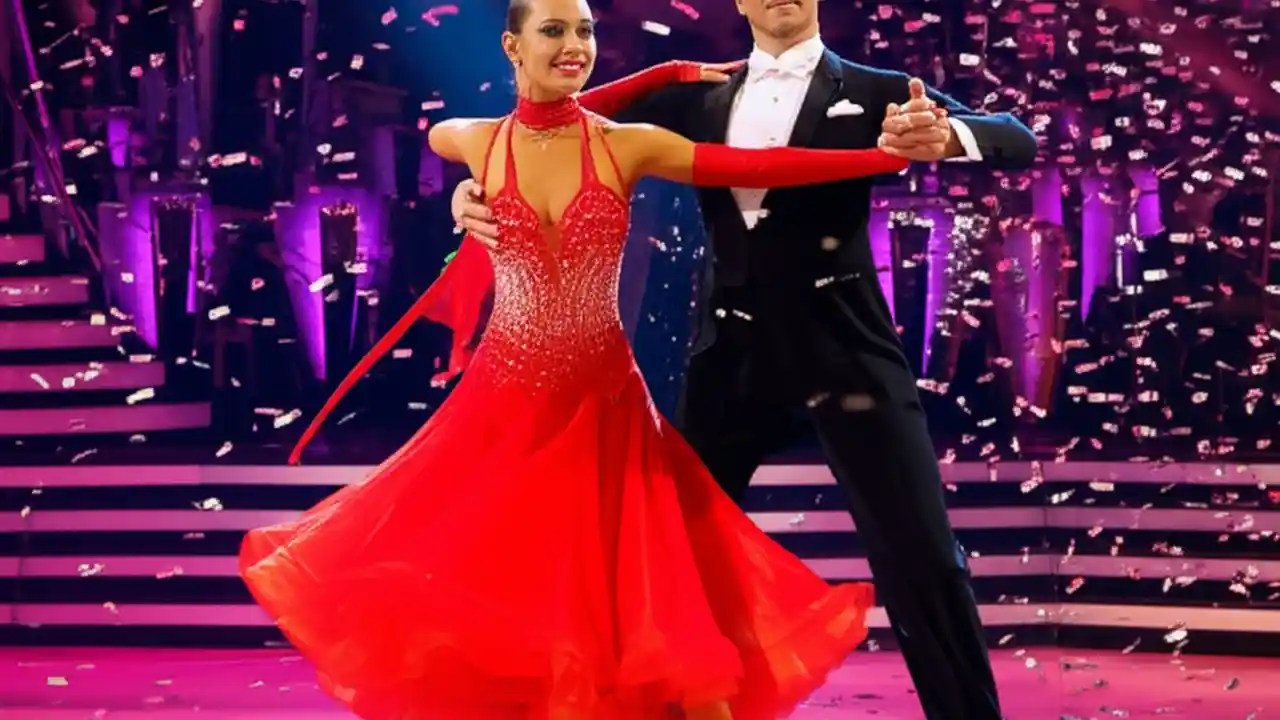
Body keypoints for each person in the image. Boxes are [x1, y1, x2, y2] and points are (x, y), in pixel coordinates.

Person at [238, 0, 918, 717]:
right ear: (512, 45)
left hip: (603, 408)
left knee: (637, 625)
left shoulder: (626, 145)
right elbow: (457, 130)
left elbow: (756, 164)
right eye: (555, 30)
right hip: (503, 409)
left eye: (586, 31)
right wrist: (467, 193)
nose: (576, 45)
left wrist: (883, 158)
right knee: (502, 609)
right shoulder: (475, 140)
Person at [452, 2, 1039, 719]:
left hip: (848, 352)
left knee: (922, 556)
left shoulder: (880, 90)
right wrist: (475, 183)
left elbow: (1017, 137)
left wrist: (947, 137)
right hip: (728, 355)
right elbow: (544, 120)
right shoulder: (695, 96)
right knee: (669, 554)